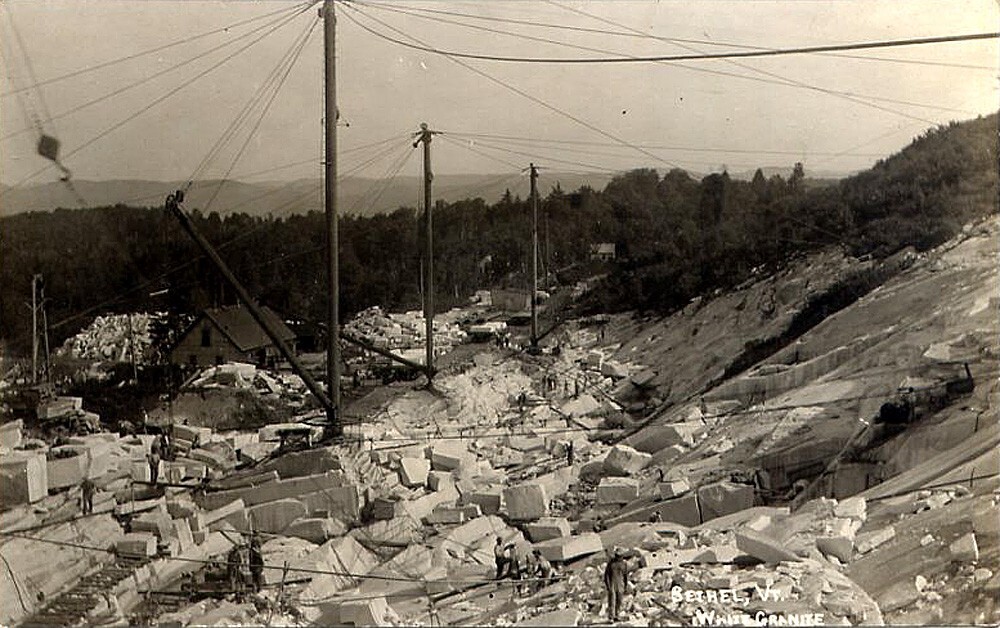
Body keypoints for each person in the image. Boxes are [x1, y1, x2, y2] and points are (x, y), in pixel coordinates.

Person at [604, 547, 630, 622]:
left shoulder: (624, 564)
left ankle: (617, 615)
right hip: (612, 584)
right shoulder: (611, 563)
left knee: (619, 601)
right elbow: (606, 575)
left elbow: (625, 576)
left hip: (620, 584)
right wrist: (608, 585)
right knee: (612, 601)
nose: (618, 557)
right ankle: (611, 617)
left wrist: (625, 585)